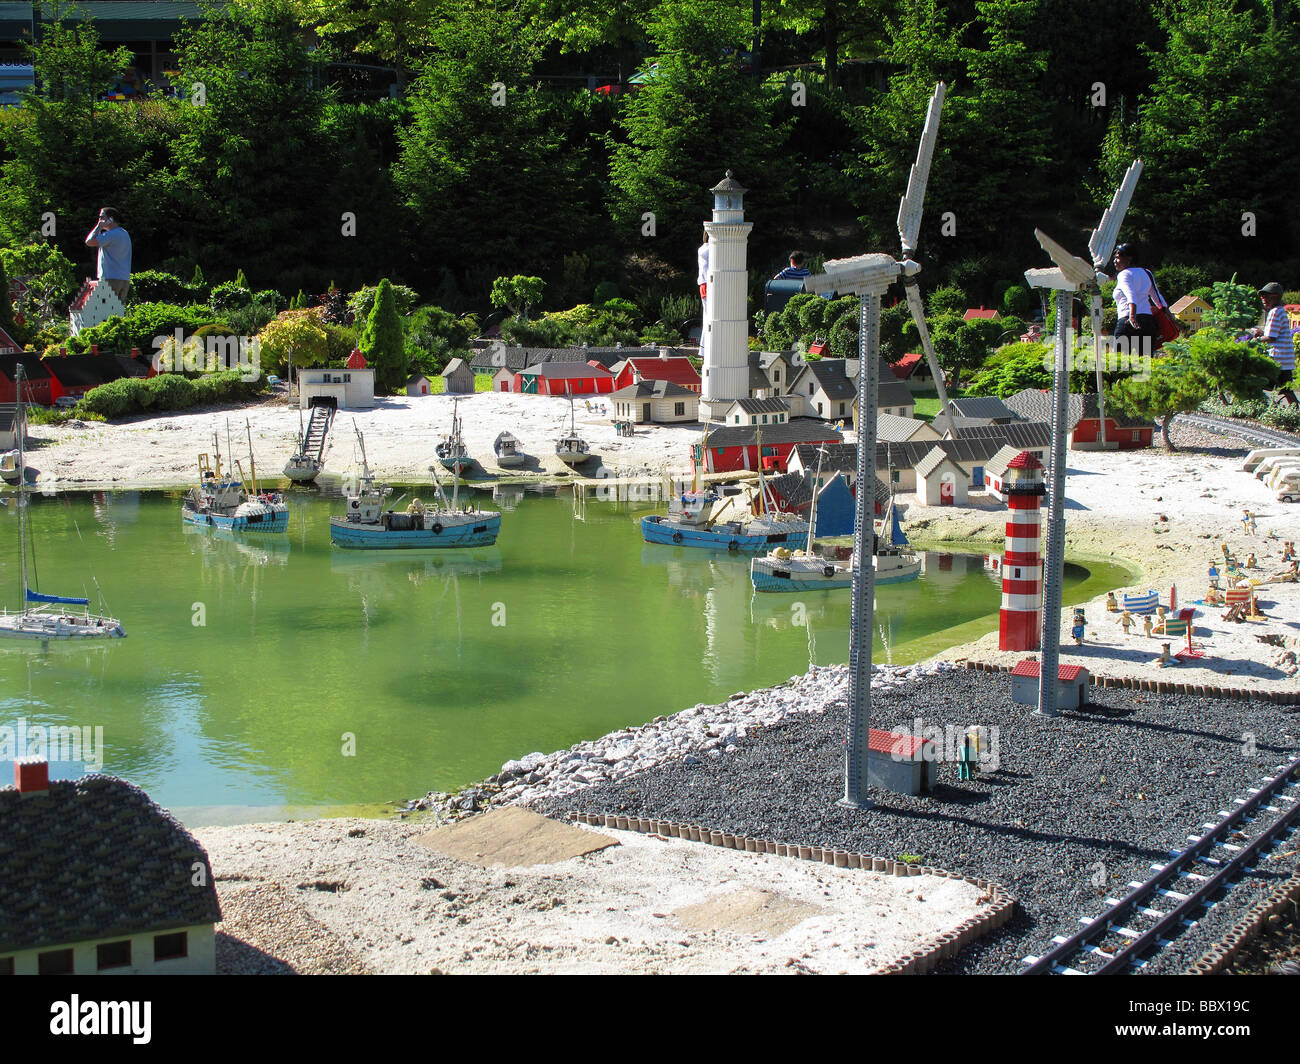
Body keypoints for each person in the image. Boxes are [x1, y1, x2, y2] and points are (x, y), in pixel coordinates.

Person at [1111, 244, 1162, 355]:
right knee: (1144, 364)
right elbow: (1158, 298)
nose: (1115, 260)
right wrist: (1171, 318)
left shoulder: (1123, 274)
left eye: (1118, 257)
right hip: (1148, 322)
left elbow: (1130, 295)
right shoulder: (1146, 272)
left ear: (1129, 259)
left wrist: (1132, 316)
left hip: (1128, 321)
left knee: (1121, 363)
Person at [1247, 282, 1294, 378]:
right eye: (1262, 296)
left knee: (1257, 381)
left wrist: (1254, 341)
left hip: (1278, 359)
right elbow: (1274, 333)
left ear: (1275, 297)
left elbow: (1271, 337)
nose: (1263, 298)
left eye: (1266, 296)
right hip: (1286, 360)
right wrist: (1262, 333)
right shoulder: (1280, 311)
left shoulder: (1275, 312)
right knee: (1285, 390)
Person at [84, 207, 131, 303]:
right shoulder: (124, 233)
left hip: (110, 278)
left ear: (111, 219)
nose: (100, 220)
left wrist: (99, 227)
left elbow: (89, 241)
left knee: (106, 312)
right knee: (118, 312)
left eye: (102, 217)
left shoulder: (111, 235)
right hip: (124, 279)